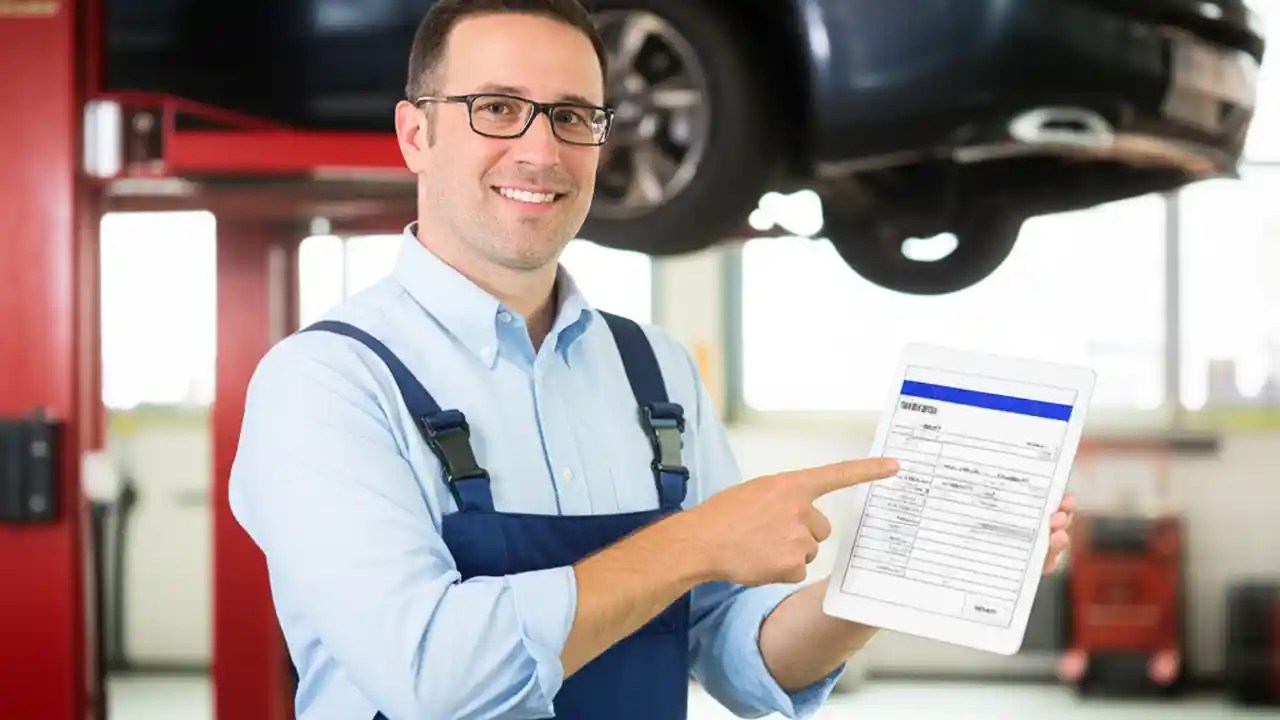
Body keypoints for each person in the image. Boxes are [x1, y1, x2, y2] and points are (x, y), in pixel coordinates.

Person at [227, 1, 1077, 718]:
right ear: (416, 133)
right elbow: (432, 676)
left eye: (574, 115)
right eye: (496, 108)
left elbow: (730, 653)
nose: (541, 149)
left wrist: (887, 581)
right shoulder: (327, 385)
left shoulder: (653, 374)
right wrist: (698, 541)